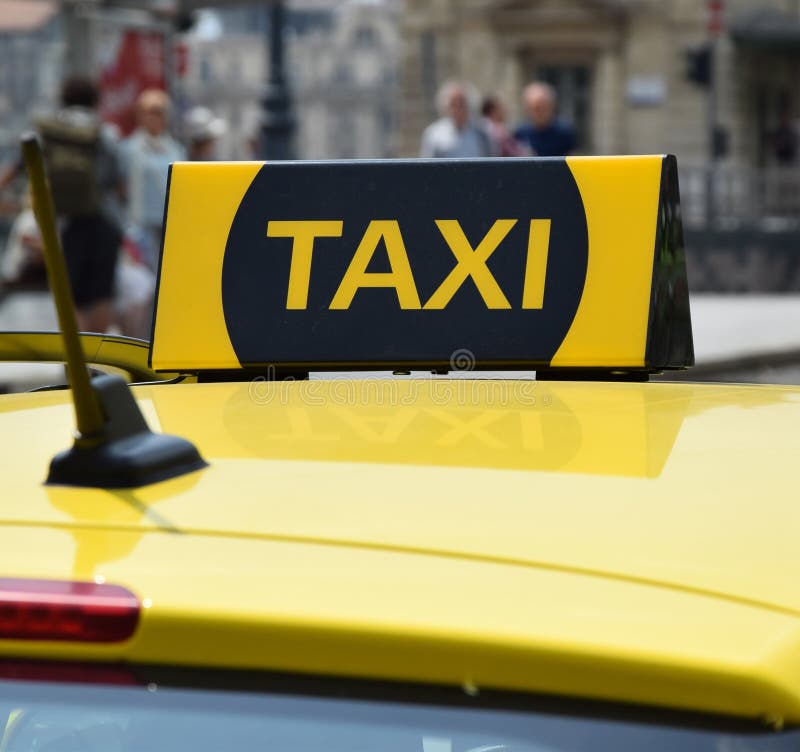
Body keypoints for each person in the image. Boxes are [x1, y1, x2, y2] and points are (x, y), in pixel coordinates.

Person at [35, 76, 123, 333]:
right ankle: (96, 364)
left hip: (68, 223)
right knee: (102, 293)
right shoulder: (104, 131)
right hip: (104, 221)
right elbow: (117, 181)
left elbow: (25, 165)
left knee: (73, 295)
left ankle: (75, 363)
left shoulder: (51, 132)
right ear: (95, 101)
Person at [121, 89, 185, 271]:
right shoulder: (128, 149)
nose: (153, 118)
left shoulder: (176, 150)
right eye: (148, 112)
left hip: (169, 225)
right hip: (138, 226)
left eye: (158, 112)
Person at [420, 81, 493, 159]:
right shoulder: (434, 133)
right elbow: (427, 163)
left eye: (461, 103)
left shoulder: (482, 131)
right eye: (453, 104)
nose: (457, 109)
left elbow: (490, 159)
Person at [514, 81, 576, 157]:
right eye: (533, 109)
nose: (538, 113)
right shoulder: (520, 132)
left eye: (542, 108)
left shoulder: (564, 132)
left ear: (551, 106)